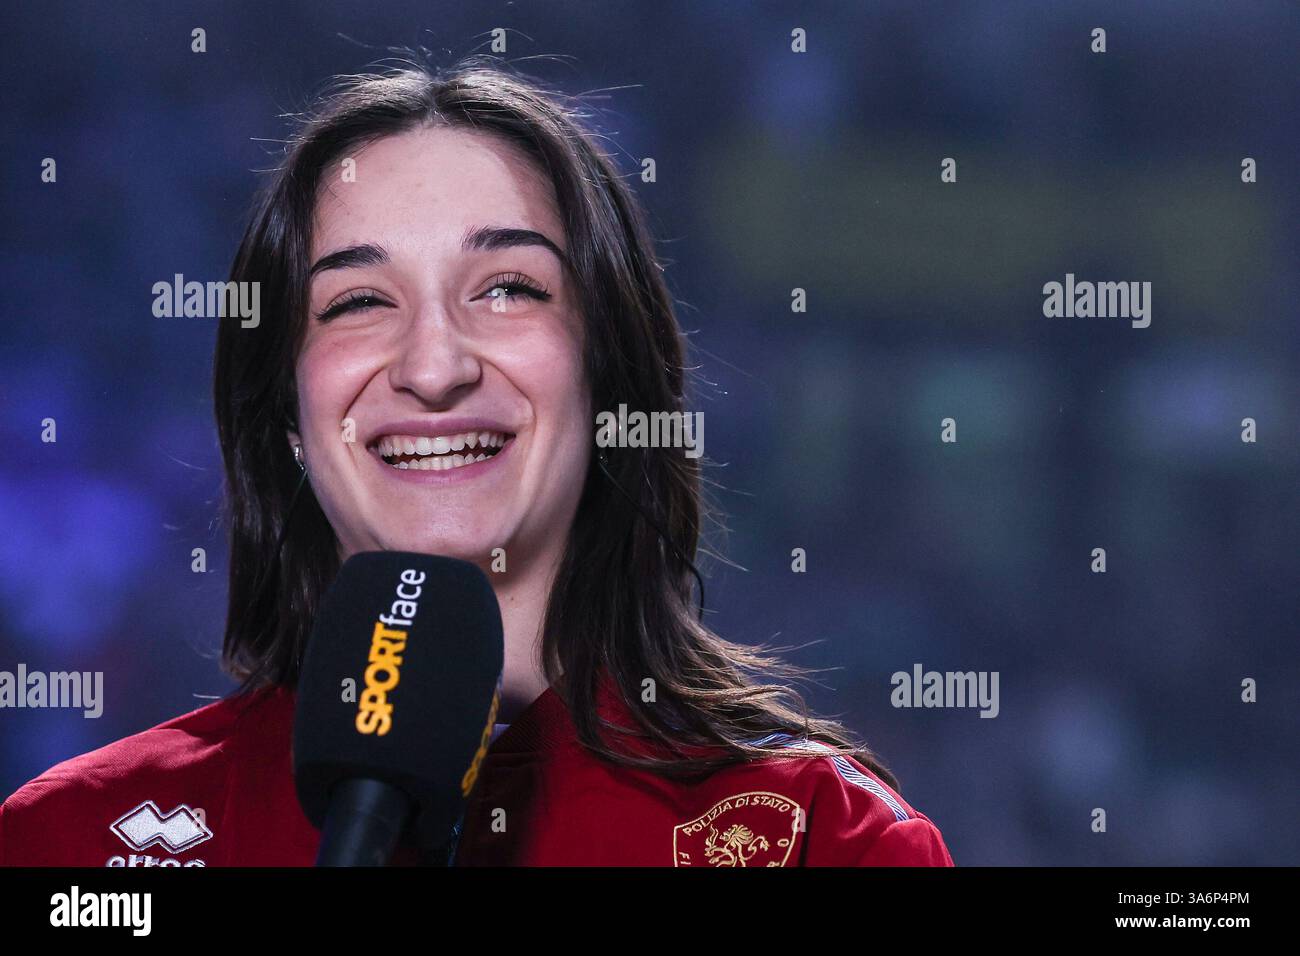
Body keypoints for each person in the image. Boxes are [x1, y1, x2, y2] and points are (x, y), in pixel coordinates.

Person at [0, 56, 953, 867]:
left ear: (608, 376)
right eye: (357, 301)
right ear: (288, 412)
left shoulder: (824, 840)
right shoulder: (70, 841)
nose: (434, 366)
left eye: (506, 288)